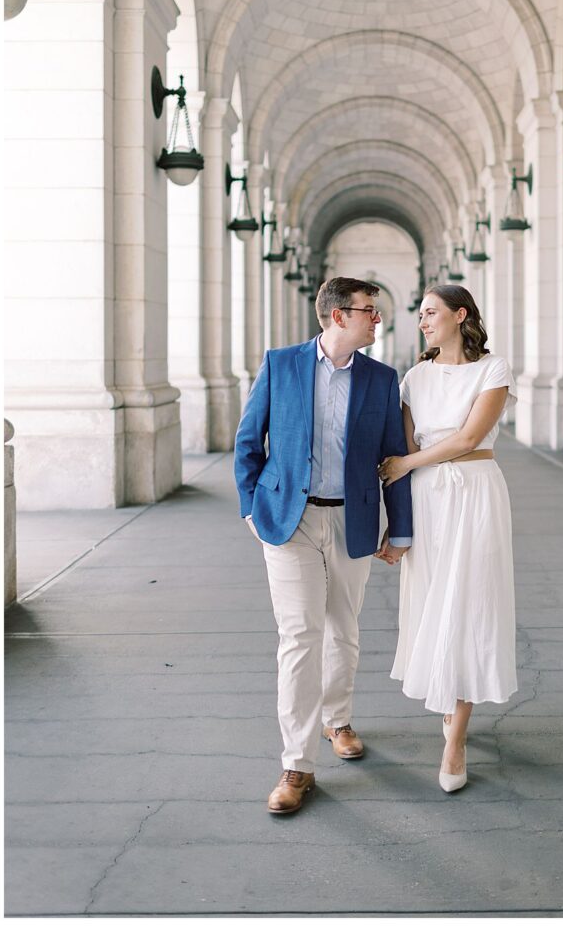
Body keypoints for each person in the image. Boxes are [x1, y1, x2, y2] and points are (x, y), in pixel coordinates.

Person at [234, 276, 413, 816]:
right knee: (300, 636)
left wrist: (399, 527)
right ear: (338, 316)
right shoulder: (281, 364)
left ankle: (339, 721)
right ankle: (297, 765)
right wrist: (250, 506)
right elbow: (249, 440)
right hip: (289, 520)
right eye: (369, 312)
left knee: (344, 630)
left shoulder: (382, 380)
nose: (376, 320)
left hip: (352, 521)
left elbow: (394, 459)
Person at [380, 284, 517, 793]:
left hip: (476, 493)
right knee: (434, 604)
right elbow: (406, 439)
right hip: (429, 499)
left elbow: (465, 439)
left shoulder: (493, 370)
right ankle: (448, 703)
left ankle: (455, 740)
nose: (422, 321)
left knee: (469, 607)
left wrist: (403, 467)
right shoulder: (415, 377)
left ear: (461, 316)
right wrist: (398, 523)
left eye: (431, 312)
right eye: (419, 314)